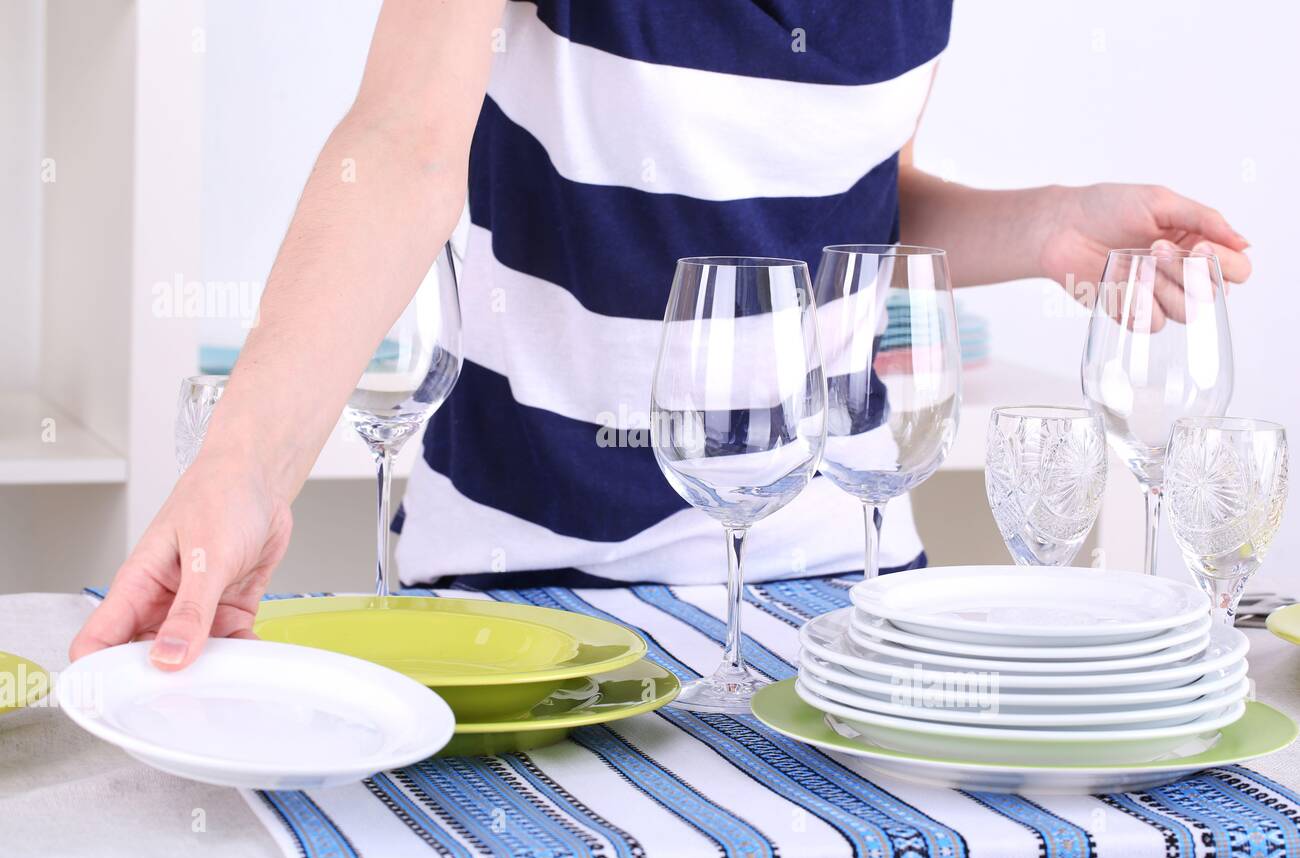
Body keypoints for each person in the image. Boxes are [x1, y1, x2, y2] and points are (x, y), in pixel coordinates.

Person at [69, 0, 1251, 670]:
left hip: (837, 595)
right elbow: (402, 149)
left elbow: (850, 212)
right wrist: (240, 469)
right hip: (521, 584)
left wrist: (1052, 224)